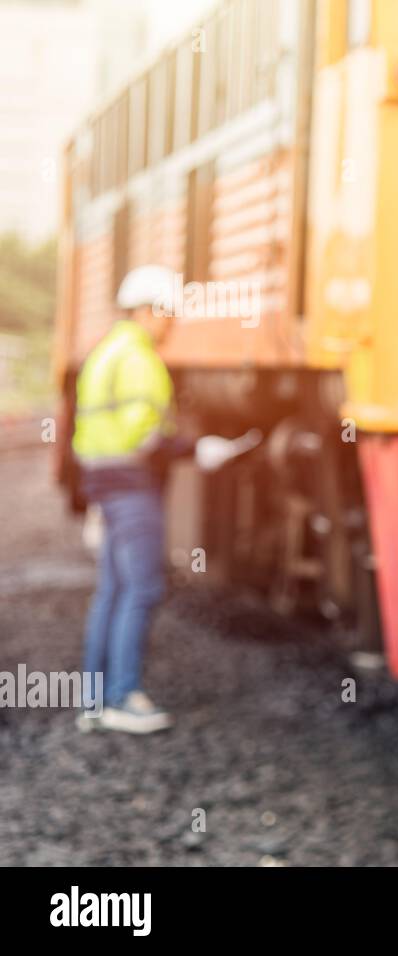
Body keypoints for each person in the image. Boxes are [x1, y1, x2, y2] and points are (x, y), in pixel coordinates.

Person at [73, 265, 194, 734]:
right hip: (132, 485)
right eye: (167, 313)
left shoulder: (105, 351)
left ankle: (94, 701)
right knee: (141, 589)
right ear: (147, 310)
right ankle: (123, 696)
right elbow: (146, 436)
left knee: (113, 589)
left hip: (103, 482)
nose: (171, 324)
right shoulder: (140, 358)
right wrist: (194, 448)